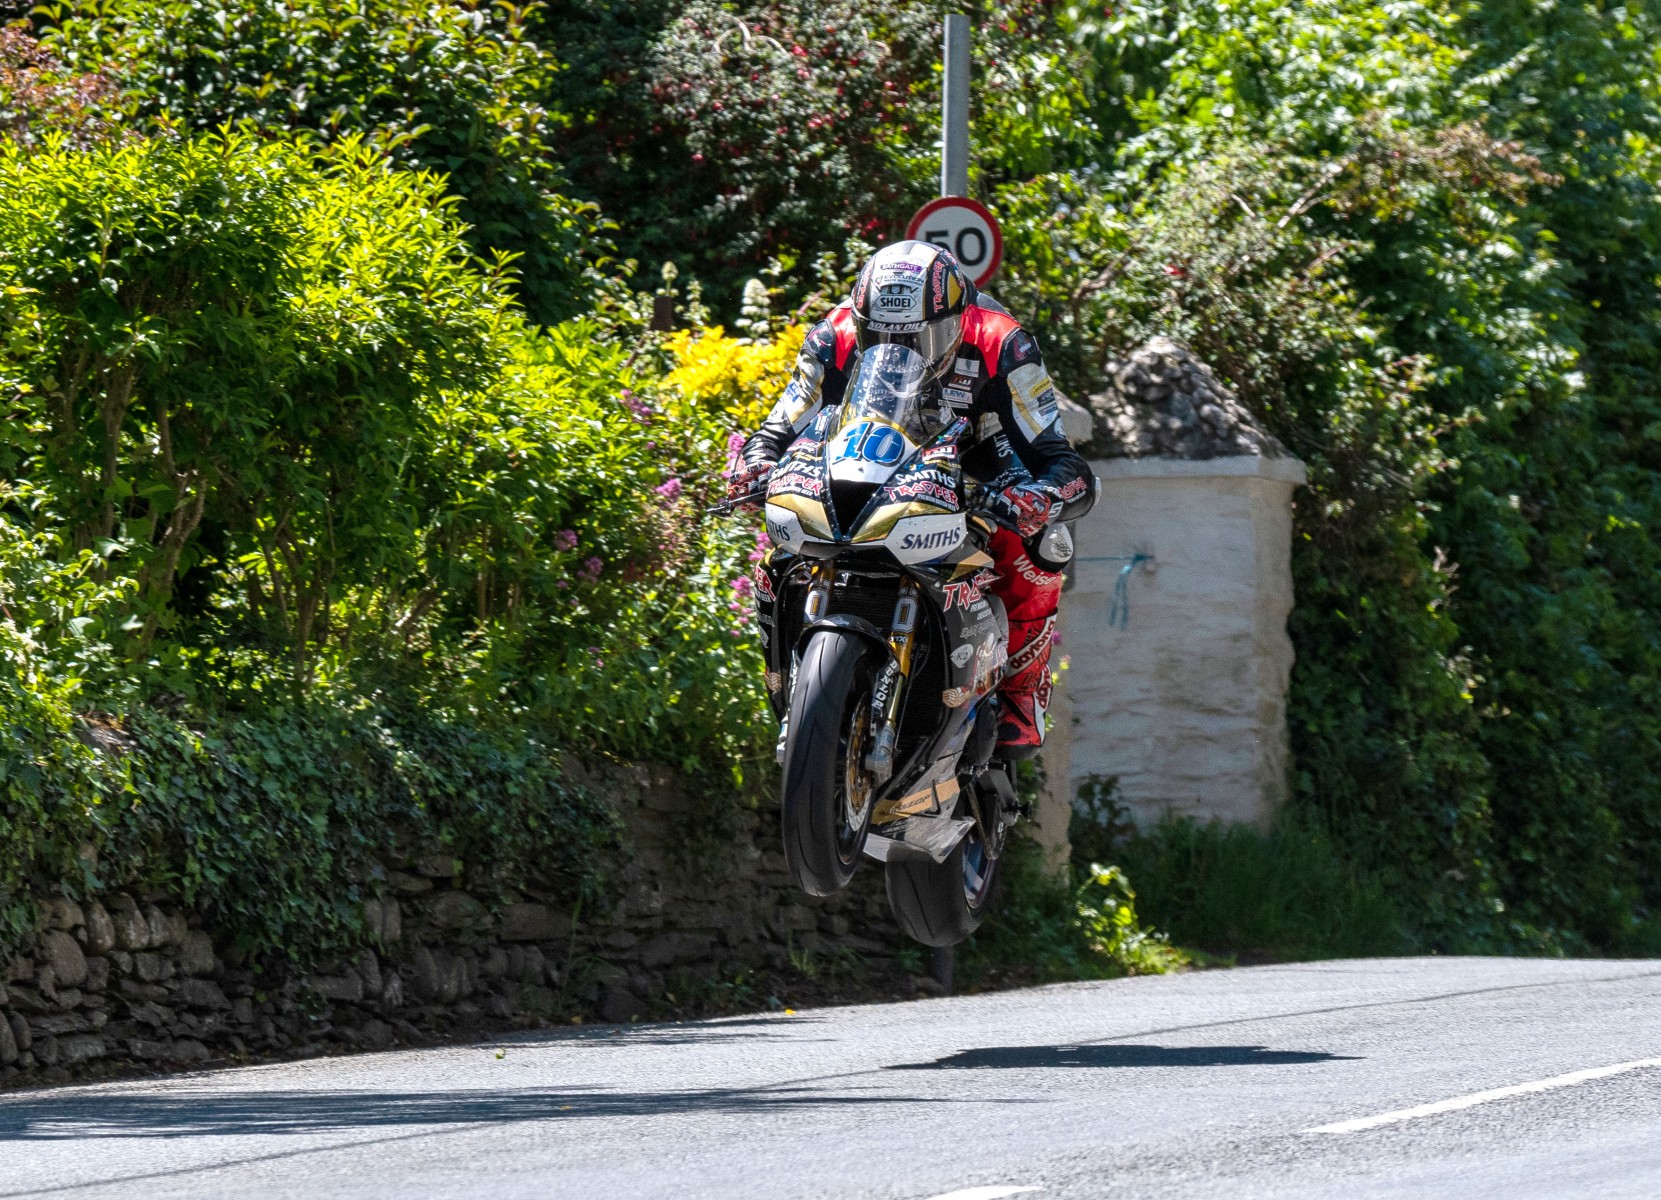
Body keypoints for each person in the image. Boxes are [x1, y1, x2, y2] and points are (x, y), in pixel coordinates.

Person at [728, 240, 1095, 756]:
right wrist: (755, 464)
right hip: (865, 455)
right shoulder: (831, 337)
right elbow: (781, 424)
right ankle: (789, 680)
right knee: (783, 552)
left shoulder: (1005, 344)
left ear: (958, 320)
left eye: (924, 336)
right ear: (858, 321)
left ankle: (1020, 693)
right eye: (876, 335)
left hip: (976, 455)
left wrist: (1042, 494)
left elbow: (1059, 456)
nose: (901, 348)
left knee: (1034, 546)